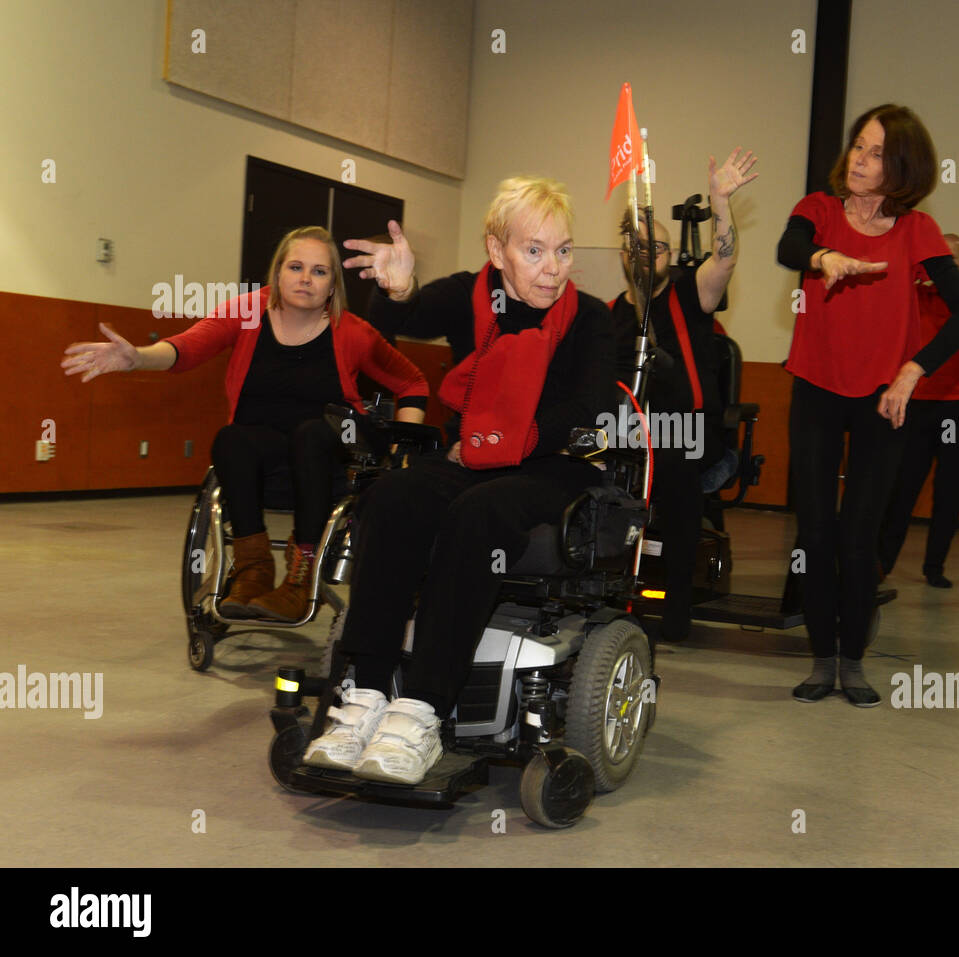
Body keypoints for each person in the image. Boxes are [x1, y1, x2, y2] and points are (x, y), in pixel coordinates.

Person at [299, 177, 615, 784]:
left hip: (554, 467)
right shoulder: (473, 296)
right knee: (390, 493)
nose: (553, 269)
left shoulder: (591, 319)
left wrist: (507, 442)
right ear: (497, 251)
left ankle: (421, 711)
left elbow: (590, 409)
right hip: (474, 457)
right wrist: (399, 286)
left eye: (564, 250)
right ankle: (363, 695)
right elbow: (407, 311)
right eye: (535, 250)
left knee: (478, 514)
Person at [61, 226, 429, 621]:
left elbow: (412, 382)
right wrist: (136, 358)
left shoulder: (352, 331)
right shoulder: (247, 311)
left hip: (333, 454)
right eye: (296, 267)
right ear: (277, 273)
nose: (305, 278)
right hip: (270, 455)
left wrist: (400, 449)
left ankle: (302, 575)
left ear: (332, 286)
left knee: (310, 433)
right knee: (231, 439)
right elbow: (186, 347)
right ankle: (253, 566)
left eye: (320, 272)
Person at [776, 104, 959, 707]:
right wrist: (823, 258)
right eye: (857, 148)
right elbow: (790, 246)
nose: (859, 161)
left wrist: (913, 371)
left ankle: (853, 660)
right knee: (814, 530)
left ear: (902, 168)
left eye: (874, 153)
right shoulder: (818, 210)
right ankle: (820, 658)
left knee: (859, 533)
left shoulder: (918, 230)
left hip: (883, 401)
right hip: (815, 387)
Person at [611, 148, 758, 643]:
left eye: (657, 247)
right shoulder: (611, 312)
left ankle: (675, 611)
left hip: (690, 435)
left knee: (671, 461)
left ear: (669, 256)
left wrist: (721, 201)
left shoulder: (690, 293)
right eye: (637, 246)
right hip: (629, 434)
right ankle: (609, 599)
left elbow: (726, 257)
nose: (647, 254)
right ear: (624, 254)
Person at [878, 233, 959, 588]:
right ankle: (881, 563)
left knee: (949, 493)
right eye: (940, 260)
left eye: (953, 260)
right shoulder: (912, 297)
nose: (945, 267)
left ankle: (935, 567)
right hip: (914, 406)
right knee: (902, 489)